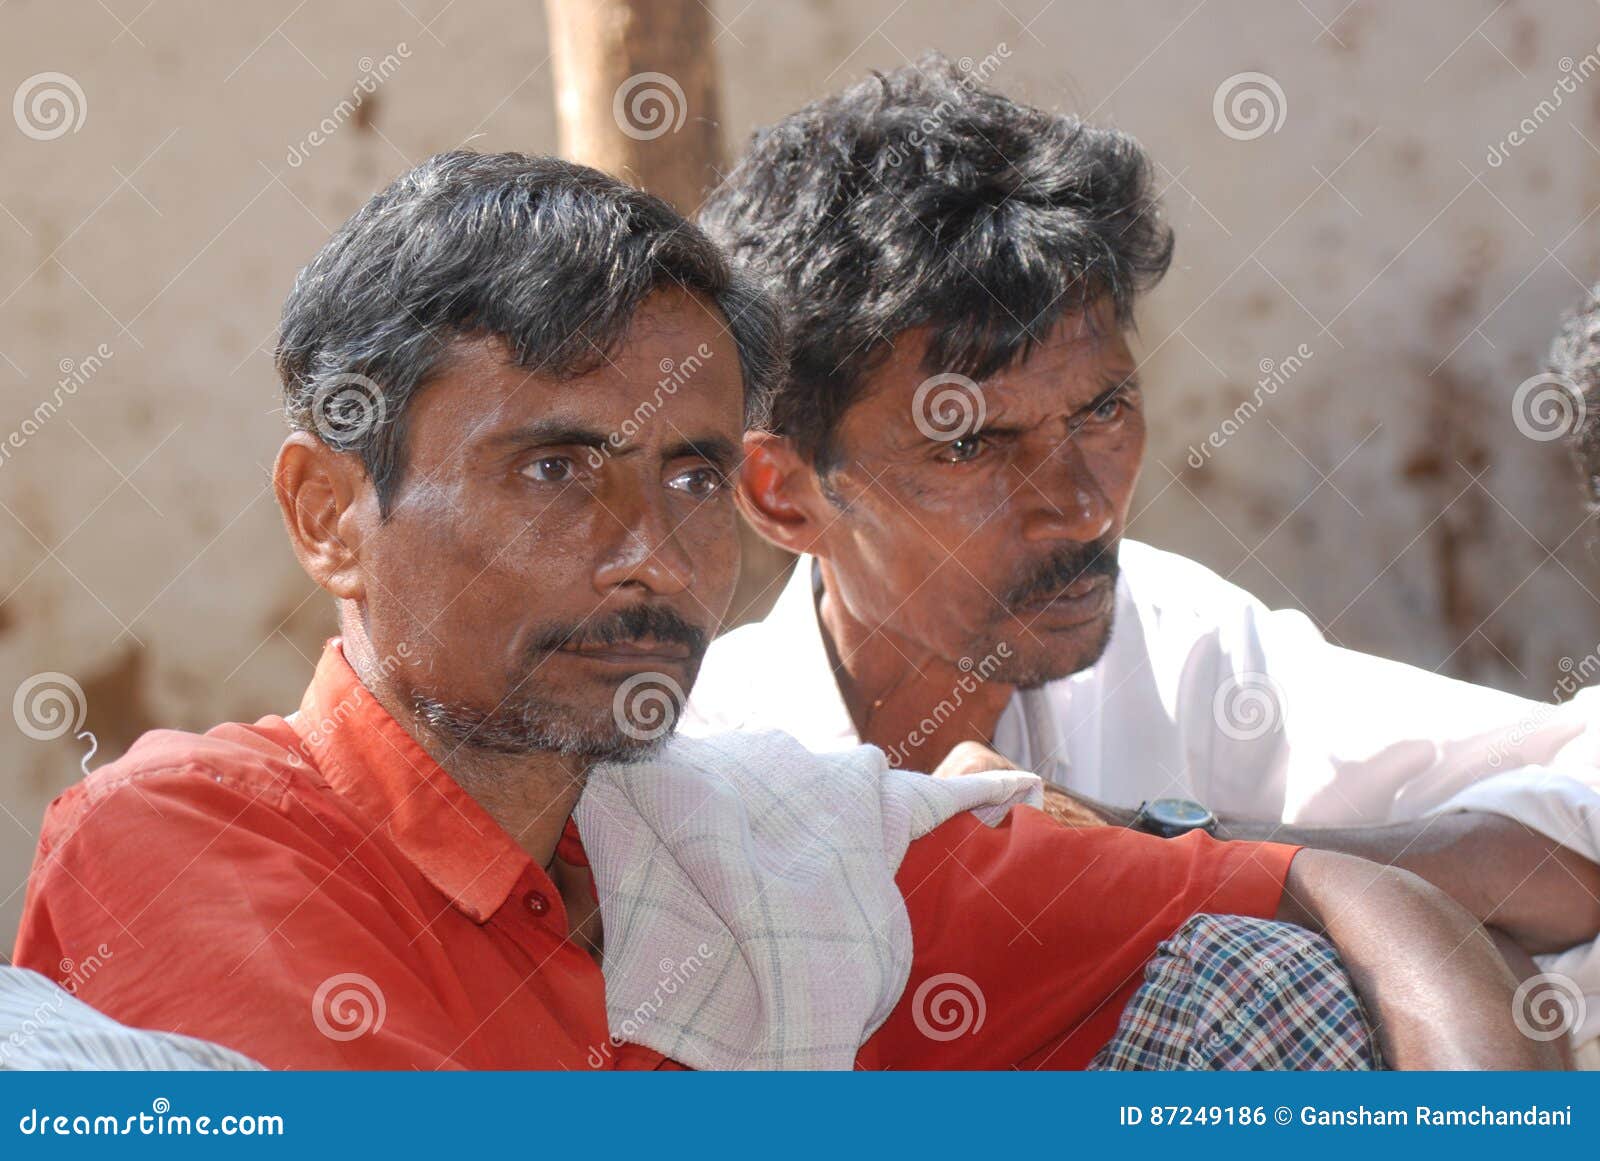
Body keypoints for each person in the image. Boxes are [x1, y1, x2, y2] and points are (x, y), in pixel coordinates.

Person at [10, 151, 1555, 1070]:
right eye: (558, 469)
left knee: (1260, 996)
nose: (647, 556)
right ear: (328, 511)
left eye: (686, 480)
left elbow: (1340, 903)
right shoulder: (188, 841)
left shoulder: (745, 840)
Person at [680, 53, 1600, 1060]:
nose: (1079, 506)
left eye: (1103, 409)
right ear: (782, 492)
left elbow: (1574, 834)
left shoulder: (1174, 648)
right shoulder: (701, 787)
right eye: (971, 445)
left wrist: (1149, 842)